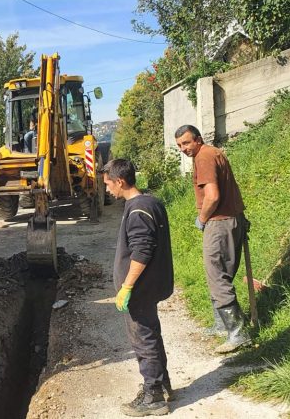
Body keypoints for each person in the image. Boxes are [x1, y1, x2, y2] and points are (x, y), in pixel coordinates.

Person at [103, 159, 174, 416]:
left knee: (143, 340)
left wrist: (127, 286)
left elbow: (142, 251)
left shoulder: (137, 211)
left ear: (120, 181)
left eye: (108, 184)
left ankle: (153, 396)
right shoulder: (150, 202)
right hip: (151, 287)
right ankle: (162, 385)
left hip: (140, 290)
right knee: (152, 335)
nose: (108, 190)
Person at [175, 124, 251, 354]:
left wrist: (202, 218)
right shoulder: (215, 152)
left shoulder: (204, 158)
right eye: (179, 145)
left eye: (186, 143)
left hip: (218, 222)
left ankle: (238, 333)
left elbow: (213, 195)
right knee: (221, 273)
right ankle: (221, 325)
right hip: (232, 219)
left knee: (217, 275)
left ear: (197, 140)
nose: (183, 149)